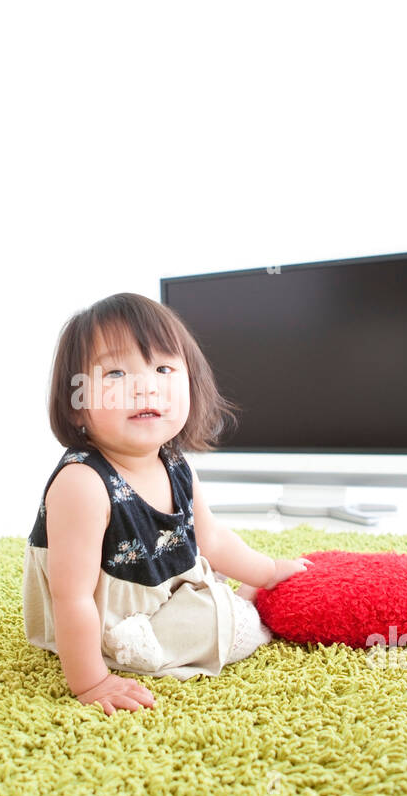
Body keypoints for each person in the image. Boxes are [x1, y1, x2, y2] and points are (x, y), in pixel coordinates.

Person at [21, 292, 313, 715]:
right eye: (117, 372)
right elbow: (73, 598)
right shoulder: (83, 484)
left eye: (162, 368)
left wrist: (267, 572)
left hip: (161, 591)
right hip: (111, 624)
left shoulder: (174, 463)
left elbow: (210, 537)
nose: (146, 386)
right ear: (77, 404)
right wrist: (92, 682)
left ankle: (225, 604)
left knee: (208, 590)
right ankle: (234, 617)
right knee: (219, 624)